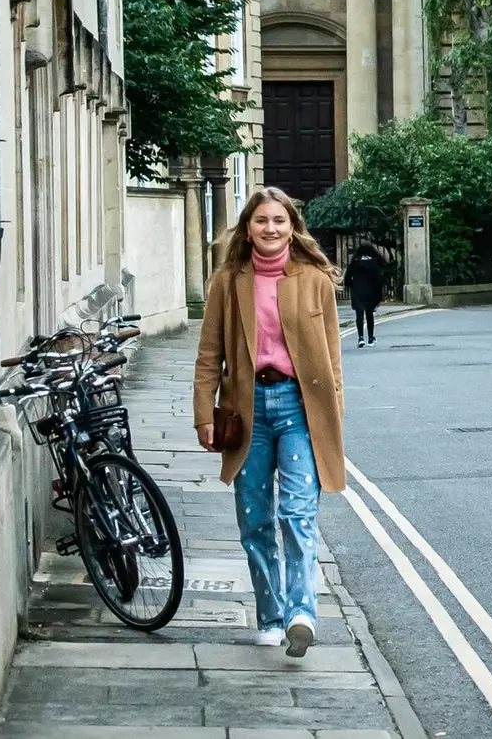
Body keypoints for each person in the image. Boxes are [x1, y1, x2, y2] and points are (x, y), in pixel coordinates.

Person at [193, 187, 345, 657]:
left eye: (279, 220)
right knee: (255, 520)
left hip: (299, 408)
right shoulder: (228, 280)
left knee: (297, 514)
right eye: (262, 220)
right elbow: (208, 353)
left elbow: (333, 357)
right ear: (248, 227)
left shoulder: (314, 279)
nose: (271, 228)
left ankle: (302, 614)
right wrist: (204, 414)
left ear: (292, 226)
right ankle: (270, 616)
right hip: (248, 409)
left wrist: (334, 413)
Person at [343, 242, 386, 348]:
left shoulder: (355, 263)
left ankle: (361, 338)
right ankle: (371, 338)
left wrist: (351, 286)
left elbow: (347, 278)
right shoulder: (375, 263)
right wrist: (378, 293)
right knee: (369, 314)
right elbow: (379, 280)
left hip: (358, 291)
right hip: (370, 292)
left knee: (359, 314)